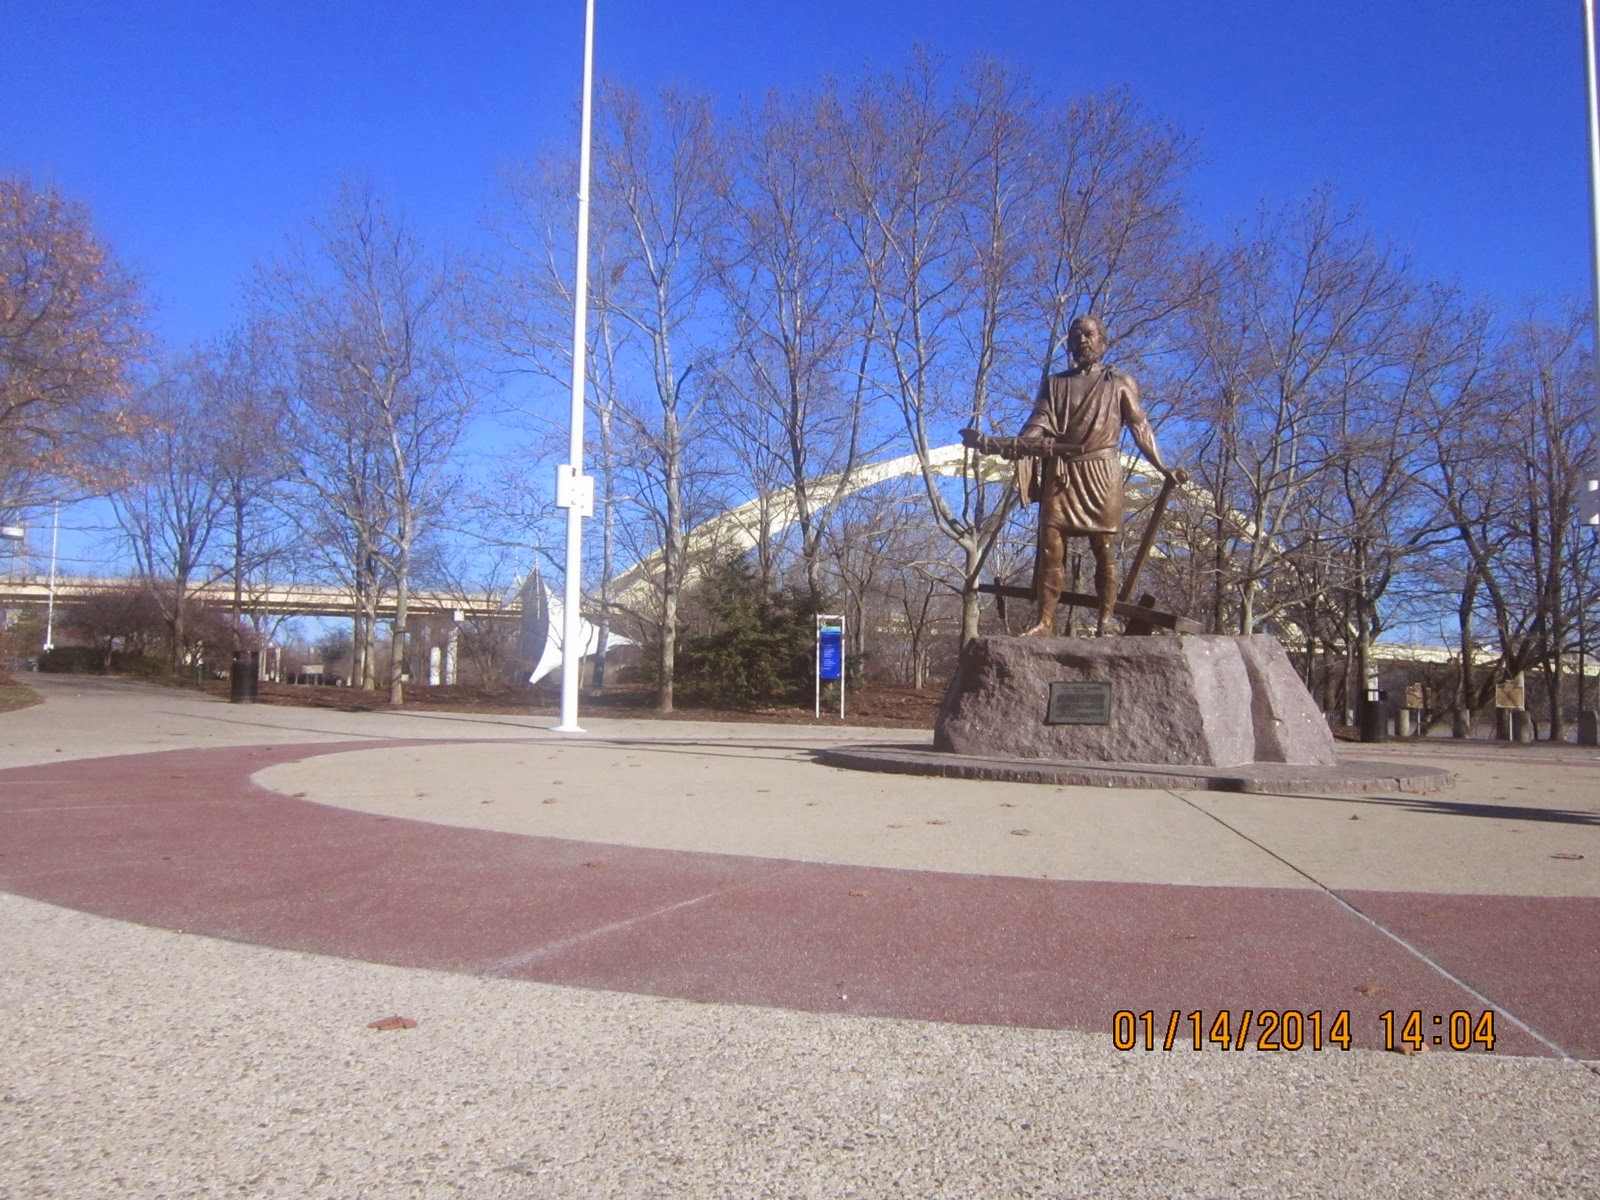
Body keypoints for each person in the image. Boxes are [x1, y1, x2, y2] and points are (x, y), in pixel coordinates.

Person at [1013, 315, 1182, 636]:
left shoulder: (1119, 382)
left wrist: (1162, 466)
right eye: (1076, 336)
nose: (1082, 341)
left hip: (1101, 473)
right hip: (1062, 476)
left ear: (1103, 341)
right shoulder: (1056, 384)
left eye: (1089, 335)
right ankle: (1045, 621)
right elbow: (1039, 422)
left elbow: (1139, 425)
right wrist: (1019, 444)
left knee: (1103, 548)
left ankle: (1105, 620)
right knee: (1051, 547)